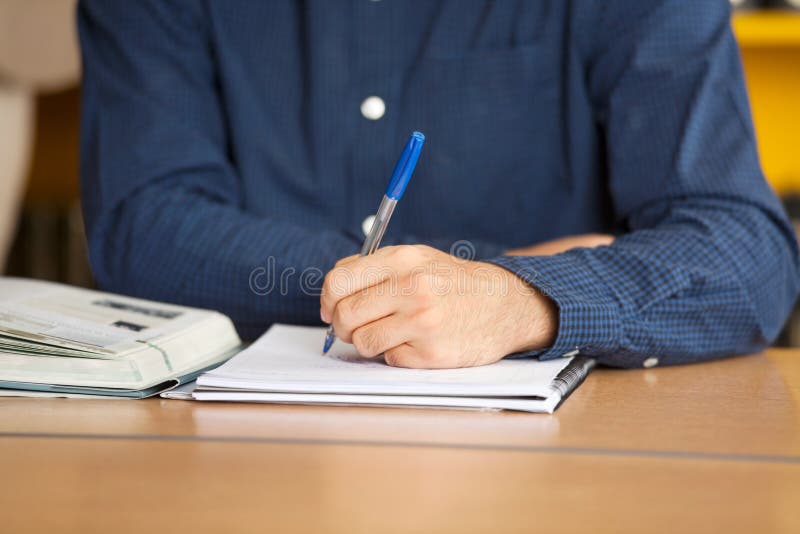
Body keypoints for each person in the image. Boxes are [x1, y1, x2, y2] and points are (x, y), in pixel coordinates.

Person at [78, 0, 800, 369]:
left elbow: (748, 255)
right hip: (229, 456)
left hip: (564, 472)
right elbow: (143, 225)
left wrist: (522, 303)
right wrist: (491, 278)